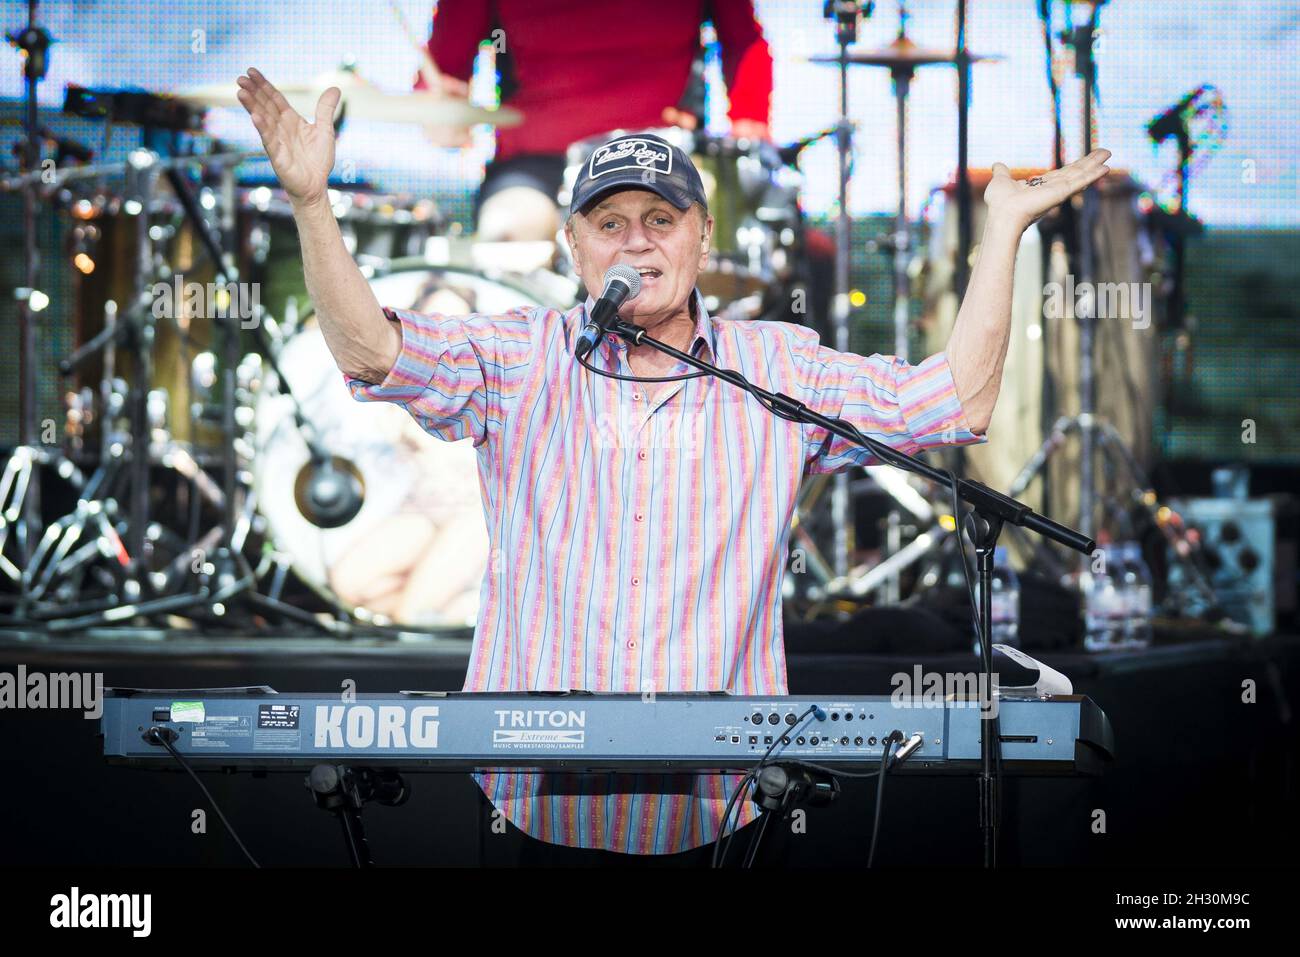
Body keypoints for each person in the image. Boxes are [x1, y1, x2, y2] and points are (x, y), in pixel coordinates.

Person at [235, 67, 1110, 863]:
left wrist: (1004, 232)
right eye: (609, 223)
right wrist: (313, 205)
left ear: (701, 238)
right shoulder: (517, 359)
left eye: (661, 220)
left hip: (725, 812)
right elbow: (372, 353)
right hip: (533, 809)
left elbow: (952, 402)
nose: (637, 243)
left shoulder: (777, 369)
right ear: (574, 247)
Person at [416, 0, 773, 241]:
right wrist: (441, 111)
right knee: (508, 231)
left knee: (674, 241)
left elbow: (743, 42)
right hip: (538, 168)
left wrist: (749, 119)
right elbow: (443, 69)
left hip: (658, 160)